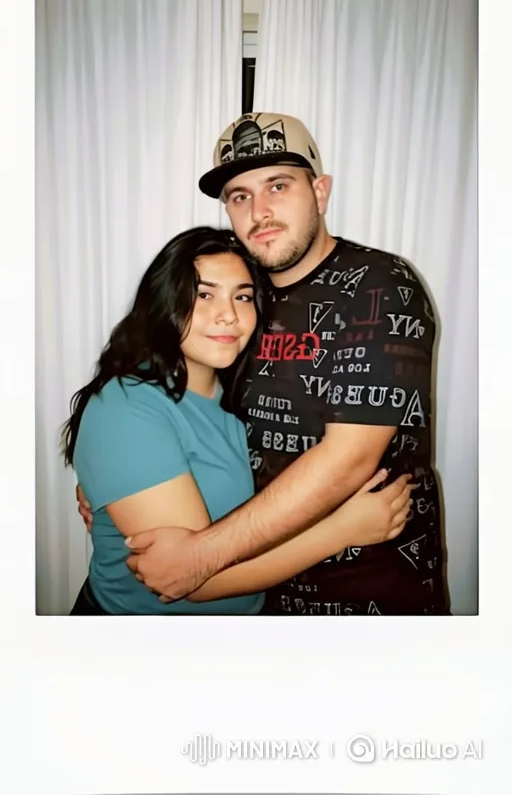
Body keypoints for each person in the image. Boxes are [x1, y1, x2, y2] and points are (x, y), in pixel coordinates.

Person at [78, 112, 449, 615]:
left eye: (278, 185)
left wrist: (200, 555)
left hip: (367, 587)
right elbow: (181, 418)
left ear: (320, 192)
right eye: (239, 196)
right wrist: (115, 480)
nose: (260, 210)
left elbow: (350, 457)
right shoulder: (245, 306)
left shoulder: (380, 284)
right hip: (259, 592)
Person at [65, 225, 412, 615]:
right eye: (204, 294)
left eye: (242, 297)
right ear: (163, 303)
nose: (228, 315)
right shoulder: (129, 407)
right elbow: (193, 579)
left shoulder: (235, 393)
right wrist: (341, 531)